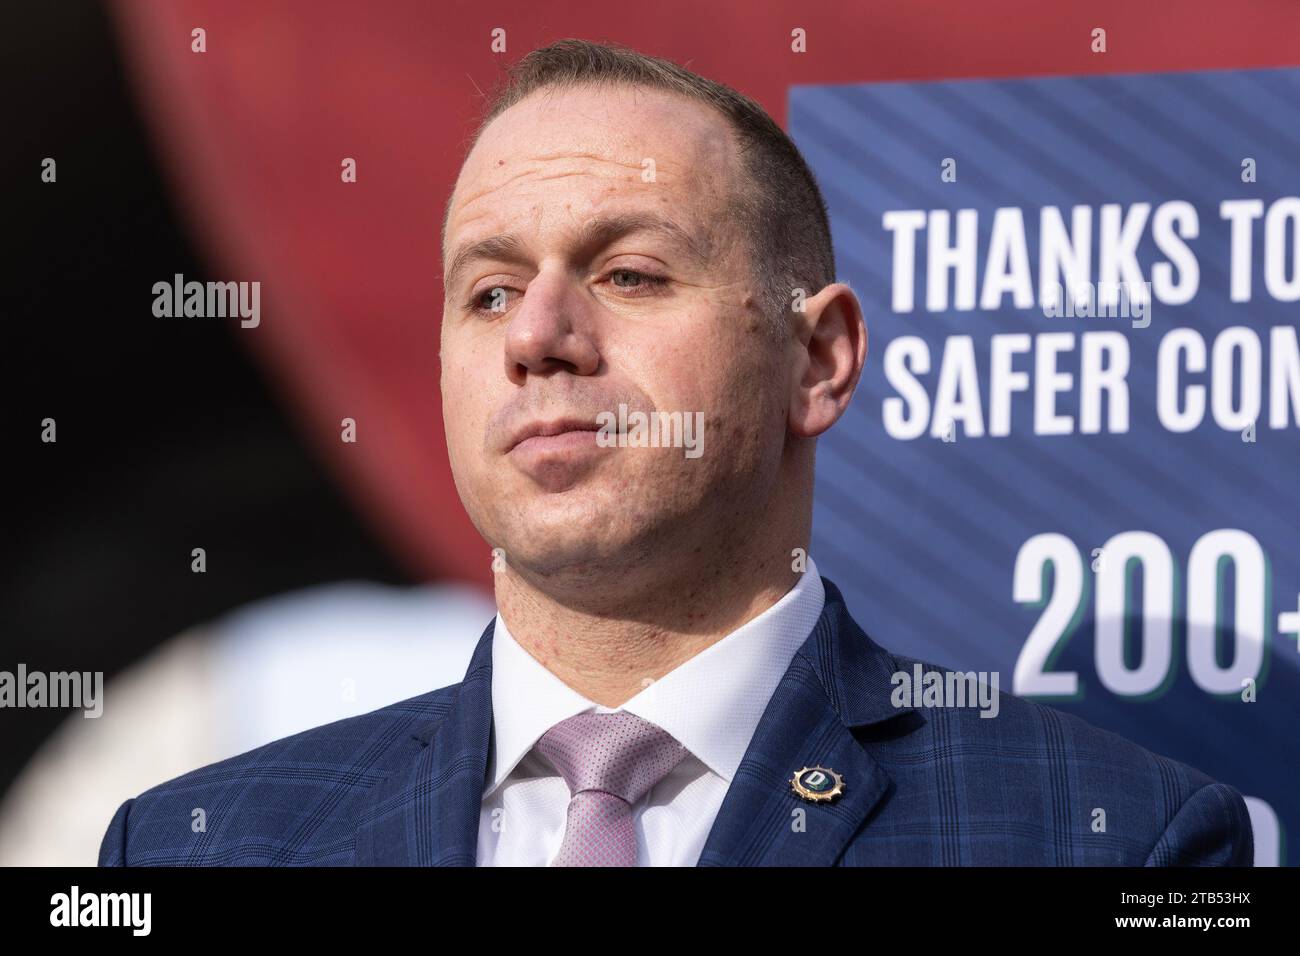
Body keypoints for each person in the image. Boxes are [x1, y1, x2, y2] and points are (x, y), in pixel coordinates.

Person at [99, 38, 1252, 867]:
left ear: (819, 359)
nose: (538, 340)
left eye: (630, 274)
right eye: (489, 291)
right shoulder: (196, 844)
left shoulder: (1111, 838)